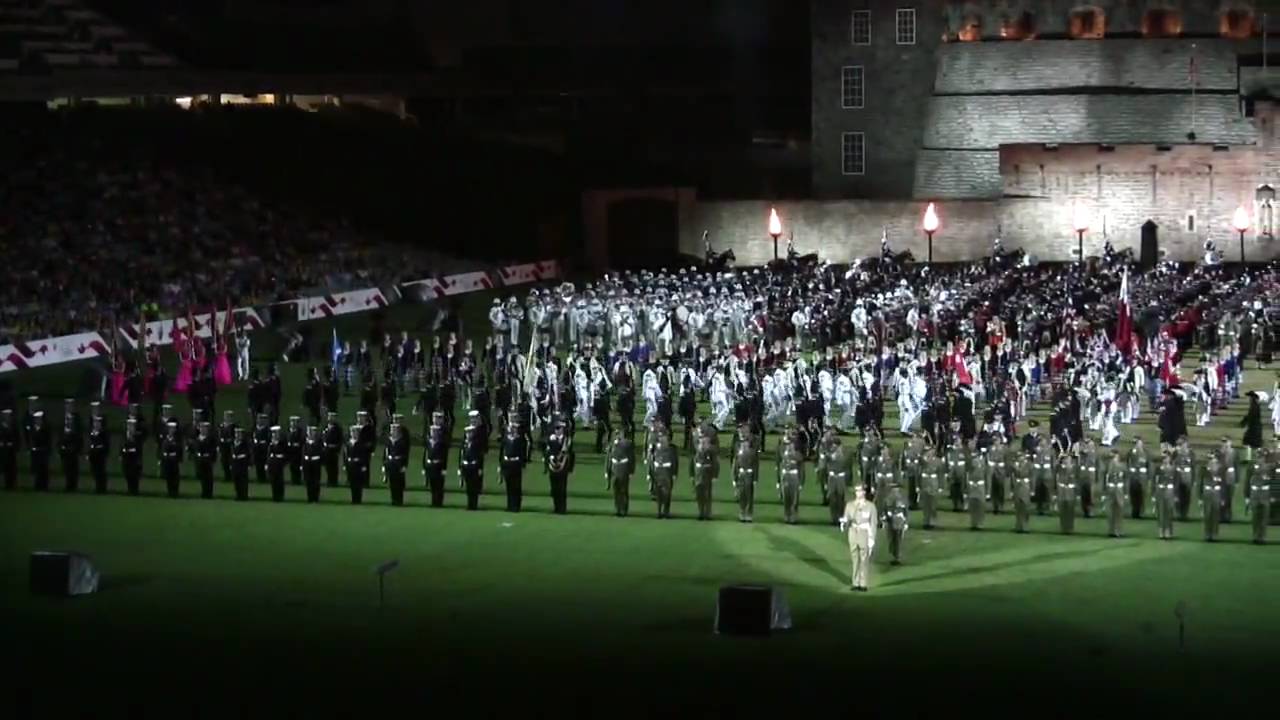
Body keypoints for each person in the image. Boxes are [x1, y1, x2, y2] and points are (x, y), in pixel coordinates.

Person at [839, 484, 877, 592]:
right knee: (855, 558)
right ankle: (855, 582)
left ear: (864, 492)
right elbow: (846, 518)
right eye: (856, 491)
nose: (857, 493)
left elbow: (873, 523)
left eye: (859, 491)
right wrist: (843, 523)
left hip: (864, 532)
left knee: (864, 559)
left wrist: (872, 538)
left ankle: (863, 583)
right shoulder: (850, 505)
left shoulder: (870, 506)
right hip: (853, 532)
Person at [544, 421, 574, 514]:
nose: (557, 431)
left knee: (562, 488)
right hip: (553, 467)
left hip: (563, 467)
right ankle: (556, 507)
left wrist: (570, 468)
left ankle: (562, 508)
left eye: (559, 429)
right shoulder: (551, 439)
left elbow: (571, 455)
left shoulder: (566, 440)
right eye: (556, 429)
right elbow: (547, 453)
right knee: (554, 489)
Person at [1247, 444, 1274, 544]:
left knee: (1264, 517)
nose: (1260, 458)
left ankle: (1262, 537)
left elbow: (1274, 481)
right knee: (1255, 517)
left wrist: (1272, 495)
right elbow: (1247, 481)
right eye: (1259, 456)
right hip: (1254, 492)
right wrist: (1247, 496)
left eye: (1262, 456)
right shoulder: (1251, 466)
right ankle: (1255, 536)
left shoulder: (1270, 467)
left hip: (1265, 492)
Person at [730, 426, 758, 522]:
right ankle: (742, 512)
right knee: (742, 495)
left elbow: (755, 464)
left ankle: (749, 513)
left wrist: (755, 478)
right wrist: (734, 477)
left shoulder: (752, 450)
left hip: (749, 473)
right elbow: (735, 464)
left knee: (749, 495)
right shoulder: (738, 449)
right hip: (741, 473)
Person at [604, 429, 634, 517]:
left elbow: (632, 458)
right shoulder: (612, 445)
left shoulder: (627, 444)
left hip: (624, 468)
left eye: (618, 434)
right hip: (614, 469)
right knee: (616, 490)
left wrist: (631, 471)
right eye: (616, 434)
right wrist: (607, 471)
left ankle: (624, 509)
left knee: (623, 490)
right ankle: (617, 509)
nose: (617, 436)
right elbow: (608, 459)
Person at [824, 435, 853, 526]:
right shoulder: (829, 453)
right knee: (832, 498)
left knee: (841, 498)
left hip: (840, 477)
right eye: (833, 445)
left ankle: (841, 517)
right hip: (832, 478)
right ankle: (834, 518)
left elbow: (848, 467)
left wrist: (848, 481)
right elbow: (826, 464)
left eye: (836, 445)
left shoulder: (845, 454)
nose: (834, 446)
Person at [777, 429, 804, 524]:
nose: (790, 447)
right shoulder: (783, 451)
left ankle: (794, 516)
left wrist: (801, 481)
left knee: (794, 498)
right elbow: (779, 465)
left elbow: (801, 468)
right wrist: (778, 481)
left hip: (794, 474)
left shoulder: (798, 454)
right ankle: (787, 515)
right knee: (786, 497)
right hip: (785, 474)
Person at [649, 430, 678, 519]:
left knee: (667, 493)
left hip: (667, 472)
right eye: (661, 437)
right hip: (658, 472)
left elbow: (675, 462)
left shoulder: (672, 448)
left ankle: (666, 512)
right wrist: (650, 472)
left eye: (664, 437)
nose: (662, 439)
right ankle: (659, 512)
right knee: (658, 493)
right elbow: (652, 461)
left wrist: (674, 473)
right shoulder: (655, 448)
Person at [691, 434, 718, 521]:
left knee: (707, 495)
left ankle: (707, 513)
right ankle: (700, 512)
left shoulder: (711, 452)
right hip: (698, 475)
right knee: (699, 495)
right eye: (701, 442)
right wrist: (691, 475)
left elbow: (715, 464)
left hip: (707, 475)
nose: (703, 444)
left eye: (705, 443)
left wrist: (714, 476)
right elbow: (692, 464)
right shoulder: (696, 452)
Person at [458, 422, 485, 510]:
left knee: (474, 487)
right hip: (466, 467)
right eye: (467, 433)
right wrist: (460, 467)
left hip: (474, 467)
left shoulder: (477, 443)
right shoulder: (464, 444)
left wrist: (480, 468)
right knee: (468, 487)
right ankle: (469, 504)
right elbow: (461, 456)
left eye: (470, 433)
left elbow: (480, 456)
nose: (469, 434)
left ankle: (474, 504)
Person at [1151, 452, 1178, 540]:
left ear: (1169, 459)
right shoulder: (1159, 468)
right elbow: (1154, 481)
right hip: (1160, 490)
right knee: (1161, 511)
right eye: (1164, 458)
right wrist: (1154, 493)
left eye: (1166, 458)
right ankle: (1161, 530)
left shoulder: (1173, 469)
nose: (1165, 460)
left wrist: (1176, 495)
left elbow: (1176, 482)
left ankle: (1168, 530)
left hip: (1169, 490)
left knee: (1169, 511)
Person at [422, 421, 449, 507]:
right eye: (432, 431)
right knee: (432, 485)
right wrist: (424, 467)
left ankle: (439, 502)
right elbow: (425, 455)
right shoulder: (429, 442)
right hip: (430, 466)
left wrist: (444, 469)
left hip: (439, 466)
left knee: (439, 486)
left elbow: (445, 456)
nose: (434, 433)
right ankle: (433, 502)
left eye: (435, 432)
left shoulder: (442, 443)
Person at [1101, 450, 1127, 538]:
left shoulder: (1122, 466)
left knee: (1119, 510)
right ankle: (1111, 530)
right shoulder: (1108, 466)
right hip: (1111, 488)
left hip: (1119, 488)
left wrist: (1126, 491)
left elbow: (1126, 479)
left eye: (1114, 455)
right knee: (1111, 510)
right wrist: (1104, 492)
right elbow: (1105, 479)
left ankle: (1118, 530)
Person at [882, 480, 909, 565]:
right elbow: (884, 510)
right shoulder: (888, 499)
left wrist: (906, 522)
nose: (895, 491)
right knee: (891, 539)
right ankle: (893, 556)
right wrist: (884, 520)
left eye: (896, 489)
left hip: (899, 522)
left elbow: (906, 511)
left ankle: (897, 557)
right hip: (891, 521)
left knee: (898, 540)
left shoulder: (902, 499)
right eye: (893, 489)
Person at [1200, 453, 1225, 542]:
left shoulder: (1221, 469)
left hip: (1217, 492)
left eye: (1212, 459)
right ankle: (1207, 534)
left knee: (1215, 514)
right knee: (1207, 514)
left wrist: (1222, 497)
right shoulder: (1204, 469)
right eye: (1209, 459)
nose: (1211, 461)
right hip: (1207, 492)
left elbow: (1223, 484)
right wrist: (1200, 497)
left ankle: (1214, 534)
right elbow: (1200, 483)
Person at [384, 422, 410, 507]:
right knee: (392, 483)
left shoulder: (403, 441)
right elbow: (386, 453)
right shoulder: (389, 440)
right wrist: (385, 464)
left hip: (399, 464)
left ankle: (399, 500)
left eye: (394, 430)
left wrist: (404, 465)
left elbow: (406, 454)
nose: (392, 431)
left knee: (399, 483)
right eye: (392, 430)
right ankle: (393, 499)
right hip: (391, 464)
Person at [966, 448, 991, 530]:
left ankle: (980, 524)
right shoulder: (969, 463)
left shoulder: (984, 463)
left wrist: (988, 491)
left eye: (975, 456)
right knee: (973, 505)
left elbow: (987, 476)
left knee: (980, 505)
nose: (974, 458)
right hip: (972, 484)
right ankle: (973, 524)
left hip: (980, 485)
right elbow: (967, 475)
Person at [919, 446, 944, 530]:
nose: (929, 453)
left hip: (933, 483)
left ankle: (932, 522)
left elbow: (941, 474)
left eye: (930, 451)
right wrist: (918, 485)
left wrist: (941, 486)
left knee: (933, 504)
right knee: (925, 504)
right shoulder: (922, 460)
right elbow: (918, 473)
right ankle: (926, 522)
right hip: (925, 482)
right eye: (927, 451)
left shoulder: (938, 461)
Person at [1054, 452, 1079, 535]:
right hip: (1062, 490)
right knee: (1062, 510)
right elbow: (1054, 466)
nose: (1067, 461)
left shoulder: (1074, 468)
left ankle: (1070, 528)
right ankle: (1063, 528)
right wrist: (1059, 458)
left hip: (1070, 490)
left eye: (1068, 459)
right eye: (1065, 459)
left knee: (1070, 510)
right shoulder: (1060, 467)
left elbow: (1077, 478)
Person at [59, 408, 83, 492]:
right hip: (66, 454)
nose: (68, 421)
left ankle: (73, 486)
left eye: (70, 420)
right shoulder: (63, 431)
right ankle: (68, 485)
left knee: (73, 470)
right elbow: (60, 441)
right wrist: (62, 448)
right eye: (67, 420)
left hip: (73, 453)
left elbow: (79, 441)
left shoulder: (75, 431)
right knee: (66, 469)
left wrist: (76, 449)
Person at [1010, 451, 1033, 533]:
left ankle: (1025, 526)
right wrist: (1011, 489)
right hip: (1017, 486)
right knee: (1018, 507)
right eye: (1018, 457)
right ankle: (1019, 526)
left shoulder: (1028, 464)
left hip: (1025, 486)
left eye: (1021, 456)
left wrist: (1032, 490)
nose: (1020, 458)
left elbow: (1032, 476)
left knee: (1026, 507)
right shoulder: (1014, 465)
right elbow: (1012, 477)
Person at [343, 426, 367, 505]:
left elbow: (364, 455)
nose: (353, 434)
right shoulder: (348, 443)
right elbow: (345, 455)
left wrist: (363, 465)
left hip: (358, 465)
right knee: (352, 483)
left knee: (358, 484)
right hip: (350, 465)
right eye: (352, 432)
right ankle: (353, 499)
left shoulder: (361, 443)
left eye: (355, 432)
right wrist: (345, 464)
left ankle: (358, 499)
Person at [193, 422, 218, 499]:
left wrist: (211, 458)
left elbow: (213, 450)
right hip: (200, 461)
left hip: (208, 460)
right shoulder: (198, 438)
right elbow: (195, 450)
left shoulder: (211, 439)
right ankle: (204, 493)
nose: (203, 430)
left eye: (205, 428)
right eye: (201, 428)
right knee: (202, 478)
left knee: (209, 478)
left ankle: (209, 493)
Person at [159, 422, 184, 498]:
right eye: (170, 429)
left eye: (173, 429)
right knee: (168, 477)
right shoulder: (165, 439)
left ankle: (175, 492)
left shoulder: (177, 440)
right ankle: (170, 492)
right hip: (167, 462)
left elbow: (179, 450)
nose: (171, 430)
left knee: (175, 478)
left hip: (174, 462)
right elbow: (163, 450)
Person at [87, 415, 110, 494]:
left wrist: (99, 448)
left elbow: (106, 445)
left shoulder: (104, 433)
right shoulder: (92, 433)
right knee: (94, 471)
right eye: (95, 423)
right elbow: (90, 444)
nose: (96, 424)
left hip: (100, 455)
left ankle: (102, 488)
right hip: (93, 455)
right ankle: (97, 487)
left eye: (98, 423)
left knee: (100, 472)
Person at [120, 418, 143, 495]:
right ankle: (129, 490)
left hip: (134, 460)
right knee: (128, 475)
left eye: (132, 426)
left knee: (135, 476)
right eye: (129, 425)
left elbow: (138, 449)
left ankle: (135, 491)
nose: (130, 427)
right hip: (126, 460)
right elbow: (121, 446)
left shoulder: (138, 436)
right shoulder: (124, 435)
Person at [303, 426, 324, 503]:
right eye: (309, 432)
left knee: (316, 481)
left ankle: (316, 498)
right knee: (308, 481)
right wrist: (303, 464)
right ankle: (310, 498)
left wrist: (319, 461)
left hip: (316, 463)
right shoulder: (305, 441)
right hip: (307, 463)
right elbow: (303, 453)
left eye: (312, 432)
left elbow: (322, 453)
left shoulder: (318, 441)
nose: (310, 433)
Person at [322, 412, 343, 488]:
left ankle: (334, 481)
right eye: (329, 416)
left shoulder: (338, 428)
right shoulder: (325, 427)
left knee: (334, 467)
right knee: (327, 466)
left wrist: (338, 449)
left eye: (332, 417)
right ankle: (329, 480)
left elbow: (340, 440)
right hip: (326, 450)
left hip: (334, 450)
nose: (330, 418)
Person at [267, 426, 288, 502]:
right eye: (273, 433)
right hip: (272, 463)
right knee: (273, 480)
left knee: (279, 481)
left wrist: (283, 462)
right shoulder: (271, 442)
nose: (274, 435)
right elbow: (269, 453)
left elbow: (285, 453)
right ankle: (274, 496)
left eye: (276, 433)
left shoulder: (282, 442)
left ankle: (280, 496)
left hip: (279, 463)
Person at [231, 427, 252, 501]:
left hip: (243, 464)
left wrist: (249, 464)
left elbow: (249, 454)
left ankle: (244, 495)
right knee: (236, 480)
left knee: (243, 481)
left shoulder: (245, 443)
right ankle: (238, 495)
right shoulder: (233, 442)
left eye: (239, 434)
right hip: (235, 464)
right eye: (236, 433)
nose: (237, 435)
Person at [0, 409, 18, 490]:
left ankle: (11, 484)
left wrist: (14, 444)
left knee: (11, 468)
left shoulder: (13, 426)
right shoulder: (1, 426)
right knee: (4, 467)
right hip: (3, 451)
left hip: (11, 451)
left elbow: (17, 438)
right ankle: (6, 484)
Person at [218, 411, 237, 486]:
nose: (227, 418)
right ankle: (226, 476)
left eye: (229, 416)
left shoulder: (234, 427)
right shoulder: (221, 426)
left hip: (230, 447)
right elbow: (219, 435)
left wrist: (230, 440)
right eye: (226, 416)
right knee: (224, 461)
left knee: (230, 462)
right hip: (223, 447)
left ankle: (231, 476)